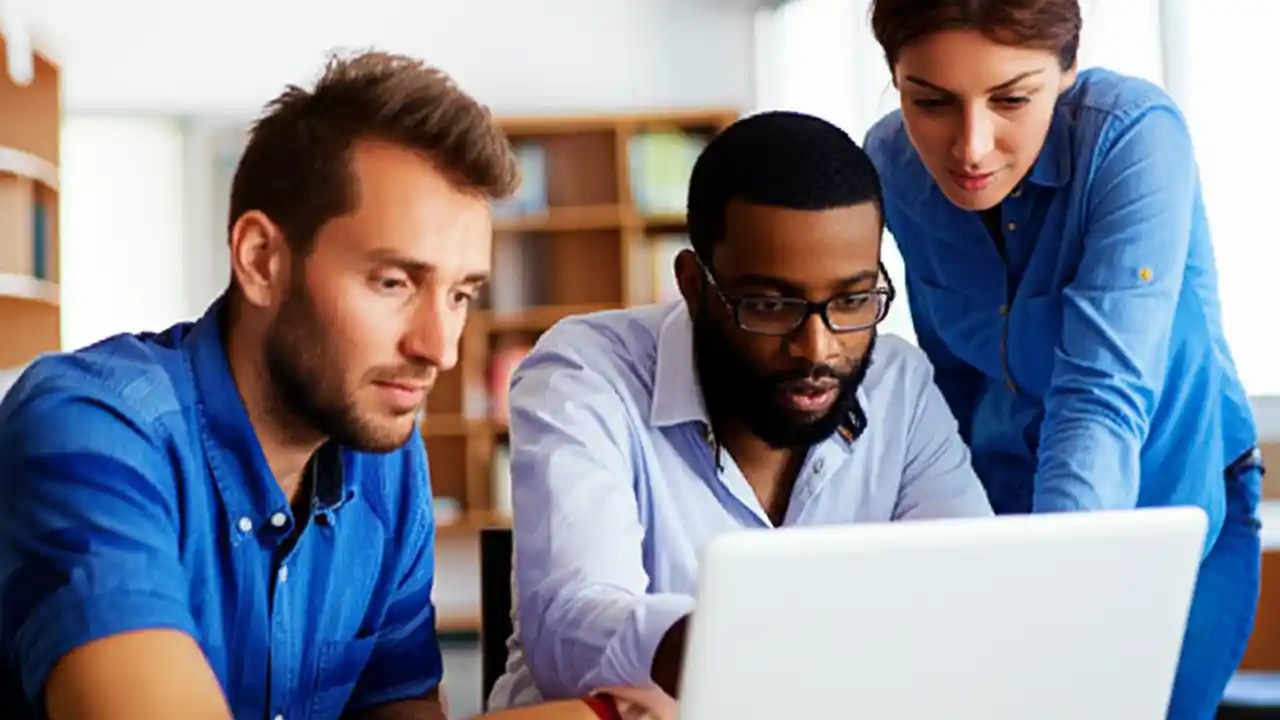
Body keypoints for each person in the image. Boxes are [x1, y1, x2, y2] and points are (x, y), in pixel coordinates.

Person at [0, 50, 667, 720]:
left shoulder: (382, 460)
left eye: (461, 294)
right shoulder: (90, 428)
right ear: (262, 261)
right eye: (394, 283)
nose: (439, 347)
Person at [486, 110, 994, 711]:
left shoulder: (897, 386)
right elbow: (571, 630)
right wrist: (752, 647)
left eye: (853, 299)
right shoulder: (586, 375)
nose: (818, 347)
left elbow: (968, 594)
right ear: (695, 287)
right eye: (771, 305)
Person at [861, 1, 1262, 717]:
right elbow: (948, 378)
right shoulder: (890, 162)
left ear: (1067, 72)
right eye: (931, 102)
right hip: (1002, 508)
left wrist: (1058, 601)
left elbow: (1099, 394)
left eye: (1012, 98)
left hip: (1172, 495)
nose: (971, 148)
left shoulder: (1133, 137)